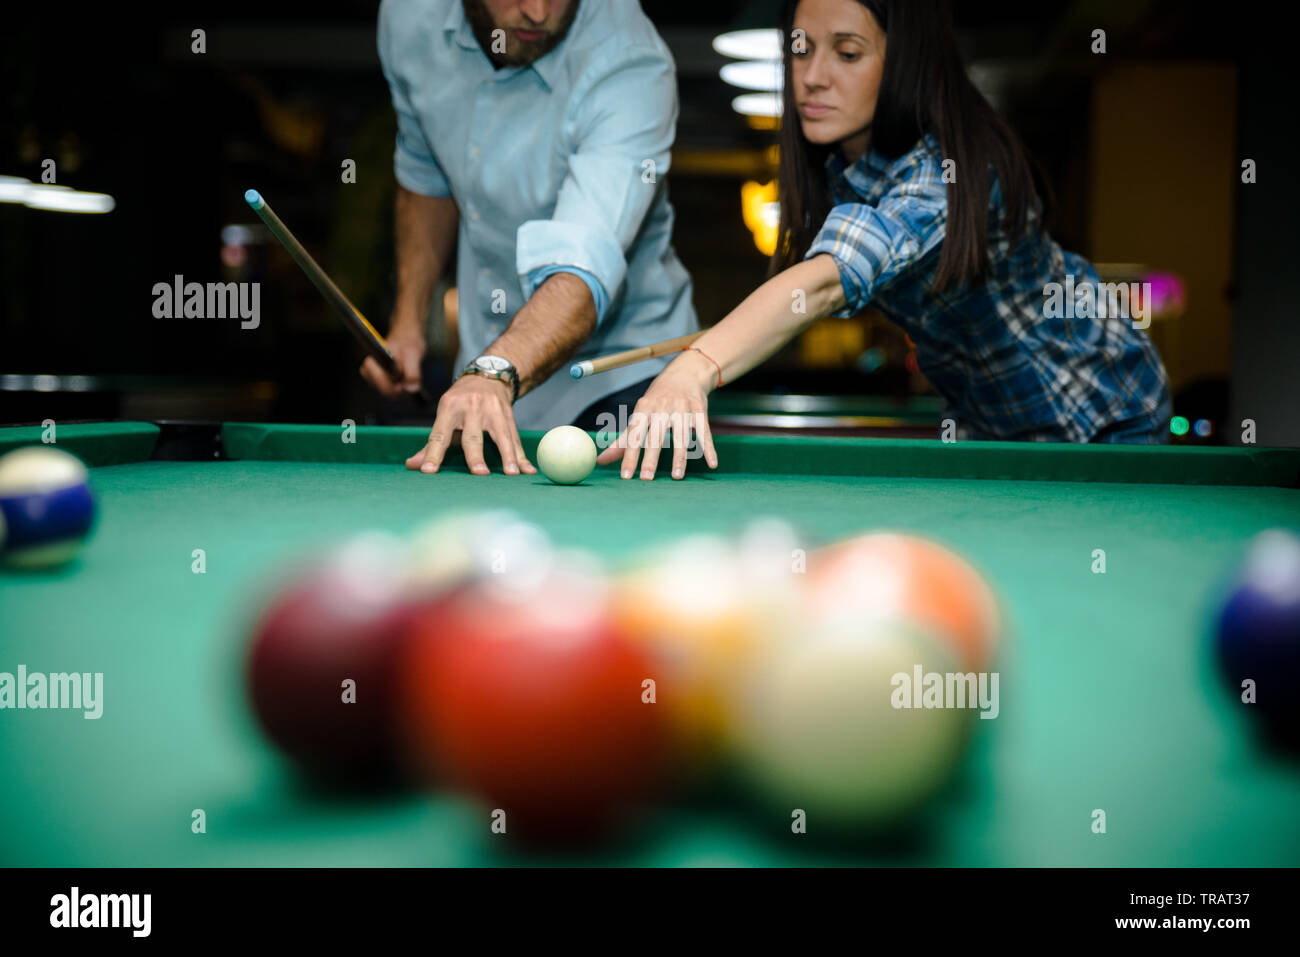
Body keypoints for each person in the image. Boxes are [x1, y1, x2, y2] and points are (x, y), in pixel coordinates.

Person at [600, 0, 1172, 482]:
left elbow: (824, 283)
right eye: (801, 48)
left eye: (847, 53)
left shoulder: (944, 173)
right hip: (992, 425)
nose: (813, 75)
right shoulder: (841, 171)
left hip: (1104, 415)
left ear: (904, 64)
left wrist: (691, 368)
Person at [368, 0, 697, 475]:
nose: (539, 12)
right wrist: (408, 325)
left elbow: (582, 268)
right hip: (485, 373)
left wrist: (493, 372)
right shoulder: (408, 17)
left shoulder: (631, 64)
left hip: (622, 377)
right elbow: (425, 173)